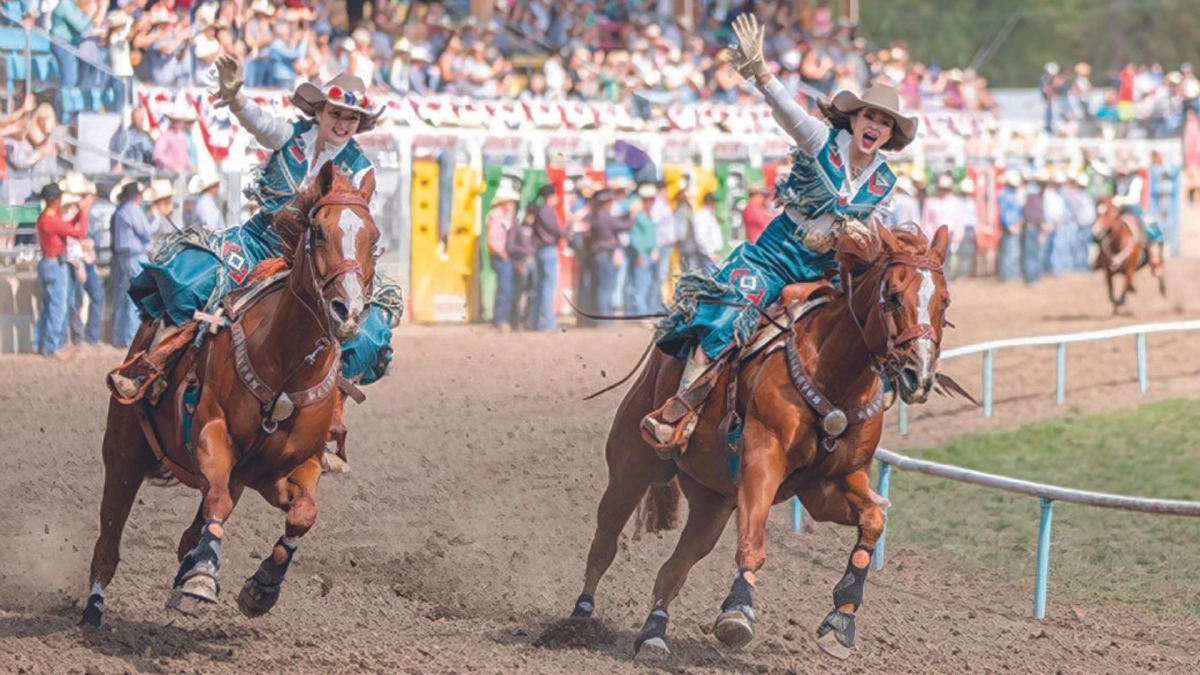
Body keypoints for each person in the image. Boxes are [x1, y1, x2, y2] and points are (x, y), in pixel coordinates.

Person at [643, 13, 919, 457]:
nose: (875, 126)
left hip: (829, 271)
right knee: (728, 314)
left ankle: (854, 419)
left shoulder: (885, 183)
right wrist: (760, 73)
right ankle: (682, 408)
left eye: (884, 123)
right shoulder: (820, 141)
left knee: (872, 327)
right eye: (870, 116)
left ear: (889, 134)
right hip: (774, 257)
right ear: (854, 119)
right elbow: (788, 110)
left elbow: (874, 232)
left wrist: (854, 238)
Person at [110, 56, 397, 407]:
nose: (342, 123)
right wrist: (235, 98)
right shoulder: (290, 136)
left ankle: (331, 412)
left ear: (359, 123)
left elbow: (359, 224)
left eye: (351, 117)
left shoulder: (361, 169)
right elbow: (258, 122)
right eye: (336, 113)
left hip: (322, 263)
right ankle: (155, 363)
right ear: (319, 111)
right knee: (192, 278)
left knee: (365, 334)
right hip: (258, 244)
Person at [35, 183, 91, 359]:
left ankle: (44, 344)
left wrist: (78, 215)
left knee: (49, 306)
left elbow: (67, 227)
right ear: (54, 200)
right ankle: (53, 347)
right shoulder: (50, 219)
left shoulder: (47, 218)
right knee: (57, 307)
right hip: (55, 264)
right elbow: (79, 232)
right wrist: (84, 213)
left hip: (49, 262)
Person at [60, 172, 104, 351]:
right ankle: (79, 339)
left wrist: (92, 244)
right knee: (75, 300)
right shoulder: (69, 215)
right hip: (76, 262)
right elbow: (69, 242)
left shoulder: (86, 216)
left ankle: (89, 337)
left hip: (85, 261)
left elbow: (95, 237)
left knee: (96, 296)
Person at [108, 179, 155, 348]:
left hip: (124, 256)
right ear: (136, 196)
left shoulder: (120, 211)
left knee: (123, 296)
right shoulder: (133, 210)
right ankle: (131, 337)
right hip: (134, 256)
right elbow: (146, 232)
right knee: (135, 296)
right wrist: (155, 218)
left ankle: (121, 336)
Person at [1112, 163, 1164, 276]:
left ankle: (1154, 257)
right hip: (1119, 209)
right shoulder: (1117, 180)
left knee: (1150, 227)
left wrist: (1119, 200)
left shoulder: (1136, 181)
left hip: (1134, 209)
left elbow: (1133, 198)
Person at [527, 184, 564, 331]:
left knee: (539, 285)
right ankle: (548, 322)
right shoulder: (546, 211)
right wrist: (568, 230)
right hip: (547, 249)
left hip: (540, 250)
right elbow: (556, 230)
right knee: (548, 286)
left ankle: (534, 321)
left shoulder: (538, 210)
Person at [484, 187, 521, 330]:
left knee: (506, 288)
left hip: (504, 255)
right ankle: (501, 319)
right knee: (505, 288)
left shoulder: (502, 216)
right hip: (502, 256)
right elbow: (493, 237)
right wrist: (502, 253)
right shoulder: (497, 216)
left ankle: (502, 318)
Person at [626, 182, 659, 317]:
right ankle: (639, 313)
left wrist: (654, 248)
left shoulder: (647, 215)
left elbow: (650, 236)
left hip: (648, 253)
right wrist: (639, 253)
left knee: (646, 283)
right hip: (642, 254)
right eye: (646, 199)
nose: (649, 202)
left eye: (651, 199)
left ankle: (642, 311)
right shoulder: (638, 216)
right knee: (639, 284)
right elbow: (635, 237)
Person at [996, 170, 1024, 282]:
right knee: (1010, 252)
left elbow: (1018, 211)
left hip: (1016, 225)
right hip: (1010, 227)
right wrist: (1010, 226)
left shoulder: (1015, 194)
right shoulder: (1004, 195)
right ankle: (1007, 276)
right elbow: (1004, 212)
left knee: (1014, 252)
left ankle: (1012, 274)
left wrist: (1019, 223)